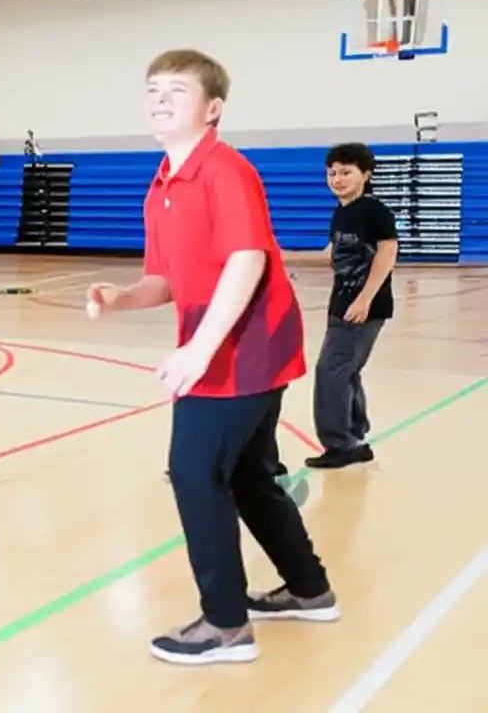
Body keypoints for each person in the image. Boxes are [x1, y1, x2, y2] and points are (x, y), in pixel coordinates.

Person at [87, 49, 339, 665]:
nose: (160, 99)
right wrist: (121, 299)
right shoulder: (163, 183)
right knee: (249, 474)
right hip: (227, 345)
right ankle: (310, 589)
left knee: (196, 473)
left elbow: (247, 260)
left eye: (177, 89)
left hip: (243, 348)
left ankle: (226, 625)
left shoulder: (226, 171)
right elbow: (166, 280)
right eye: (152, 89)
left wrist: (199, 351)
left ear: (213, 107)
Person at [284, 143, 397, 468]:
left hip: (363, 307)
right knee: (347, 371)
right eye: (332, 172)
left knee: (331, 371)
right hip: (342, 303)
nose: (337, 178)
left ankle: (341, 444)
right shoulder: (342, 212)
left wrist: (365, 299)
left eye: (346, 172)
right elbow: (330, 255)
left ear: (366, 175)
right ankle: (355, 436)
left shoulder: (373, 210)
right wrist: (281, 256)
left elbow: (388, 253)